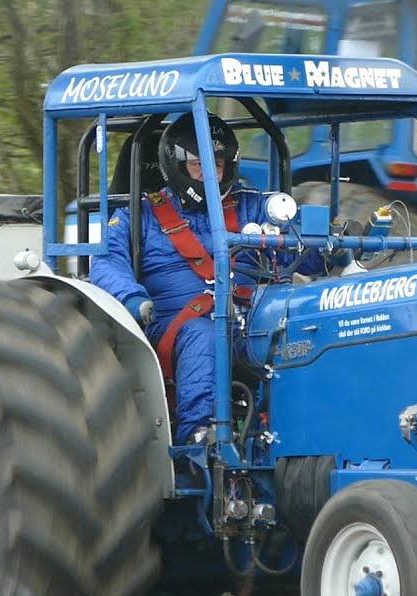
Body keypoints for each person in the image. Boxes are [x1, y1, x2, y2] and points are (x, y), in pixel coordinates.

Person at [90, 113, 326, 445]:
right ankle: (200, 440)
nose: (210, 172)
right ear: (176, 164)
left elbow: (303, 254)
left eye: (217, 163)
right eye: (199, 164)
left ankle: (307, 435)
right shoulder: (138, 215)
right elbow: (105, 264)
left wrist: (331, 245)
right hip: (173, 325)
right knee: (205, 334)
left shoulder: (254, 206)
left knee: (303, 329)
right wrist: (132, 298)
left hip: (249, 320)